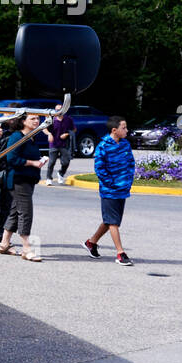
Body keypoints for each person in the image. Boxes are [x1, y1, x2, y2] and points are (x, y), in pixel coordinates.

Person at [0, 113, 48, 261]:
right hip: (19, 179)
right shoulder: (17, 137)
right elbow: (11, 158)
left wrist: (39, 161)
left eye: (38, 118)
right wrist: (32, 163)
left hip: (29, 178)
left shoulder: (31, 137)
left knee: (15, 211)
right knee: (26, 212)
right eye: (32, 118)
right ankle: (26, 248)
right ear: (23, 121)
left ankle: (4, 244)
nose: (36, 121)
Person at [85, 115, 134, 266]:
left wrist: (127, 181)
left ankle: (91, 243)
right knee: (113, 223)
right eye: (123, 127)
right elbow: (99, 169)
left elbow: (131, 163)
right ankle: (120, 253)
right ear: (114, 130)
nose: (126, 130)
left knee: (110, 221)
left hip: (123, 189)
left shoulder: (125, 145)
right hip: (109, 190)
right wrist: (111, 184)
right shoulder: (103, 146)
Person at [42, 108, 76, 185]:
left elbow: (74, 129)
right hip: (53, 144)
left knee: (66, 162)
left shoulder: (68, 119)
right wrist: (49, 134)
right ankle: (48, 178)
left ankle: (61, 174)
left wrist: (66, 134)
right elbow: (43, 128)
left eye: (60, 109)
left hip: (64, 144)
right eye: (56, 109)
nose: (58, 111)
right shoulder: (51, 119)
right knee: (52, 162)